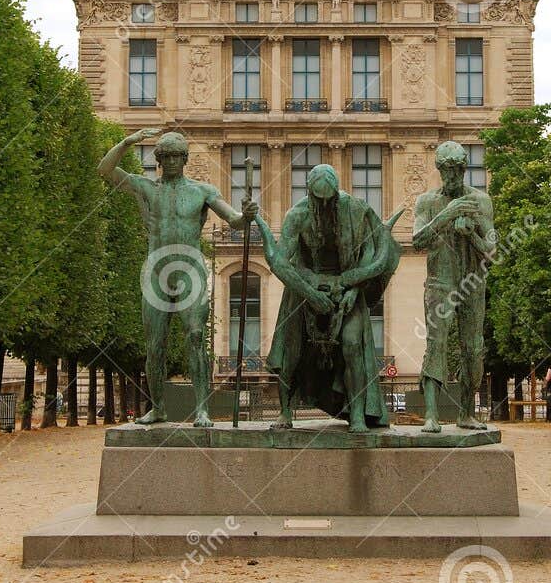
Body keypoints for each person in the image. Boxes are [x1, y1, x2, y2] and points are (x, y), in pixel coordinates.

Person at [98, 127, 256, 427]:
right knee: (154, 344)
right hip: (156, 271)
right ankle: (158, 408)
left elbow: (234, 219)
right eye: (165, 156)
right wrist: (128, 141)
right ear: (158, 159)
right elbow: (105, 170)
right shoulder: (147, 187)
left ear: (185, 159)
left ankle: (202, 410)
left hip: (190, 270)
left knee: (195, 336)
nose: (171, 161)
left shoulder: (203, 191)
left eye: (176, 156)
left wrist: (246, 215)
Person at [255, 164, 401, 433]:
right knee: (290, 350)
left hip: (347, 286)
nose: (324, 206)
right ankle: (285, 412)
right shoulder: (297, 215)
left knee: (352, 343)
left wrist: (353, 289)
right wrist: (310, 293)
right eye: (318, 200)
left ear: (336, 193)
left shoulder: (356, 210)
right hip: (304, 286)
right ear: (309, 194)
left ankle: (357, 414)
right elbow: (281, 261)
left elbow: (370, 255)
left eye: (329, 200)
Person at [413, 141, 496, 432]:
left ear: (464, 170)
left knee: (473, 349)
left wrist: (472, 233)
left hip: (473, 282)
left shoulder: (481, 201)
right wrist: (447, 214)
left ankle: (466, 413)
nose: (452, 176)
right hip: (440, 281)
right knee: (436, 345)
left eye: (458, 170)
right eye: (447, 171)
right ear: (439, 170)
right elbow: (417, 240)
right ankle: (431, 415)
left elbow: (492, 251)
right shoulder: (426, 201)